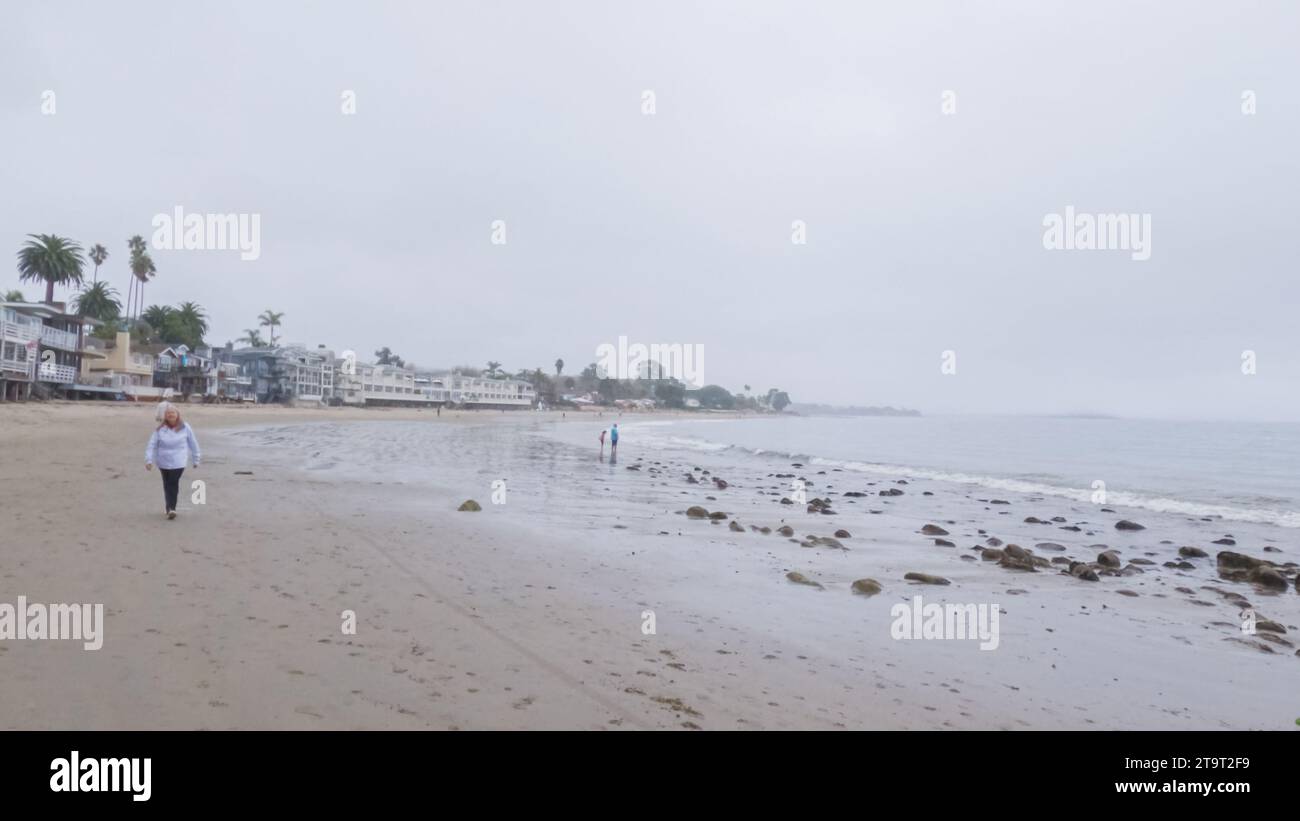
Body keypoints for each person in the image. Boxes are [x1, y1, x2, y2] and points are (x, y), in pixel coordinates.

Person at [145, 405, 201, 520]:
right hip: (163, 461)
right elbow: (152, 445)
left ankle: (172, 508)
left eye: (173, 413)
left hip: (179, 461)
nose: (171, 415)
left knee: (173, 483)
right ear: (165, 416)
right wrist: (148, 460)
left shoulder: (185, 427)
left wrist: (196, 459)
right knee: (167, 484)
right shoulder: (160, 429)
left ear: (177, 415)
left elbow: (193, 443)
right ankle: (168, 507)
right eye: (168, 413)